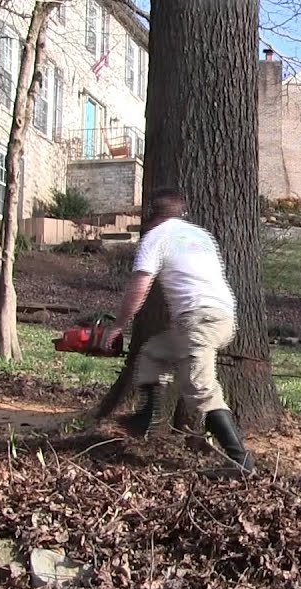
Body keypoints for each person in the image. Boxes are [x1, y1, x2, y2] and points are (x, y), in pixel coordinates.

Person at [104, 188, 255, 476]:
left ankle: (241, 462)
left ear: (152, 216)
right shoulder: (200, 236)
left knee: (200, 390)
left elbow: (139, 287)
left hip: (198, 320)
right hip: (222, 317)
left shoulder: (155, 238)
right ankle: (146, 417)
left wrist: (119, 325)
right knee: (153, 352)